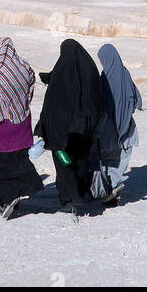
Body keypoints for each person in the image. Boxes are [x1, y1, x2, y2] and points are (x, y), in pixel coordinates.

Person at [35, 38, 101, 214]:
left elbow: (53, 101)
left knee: (64, 166)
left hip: (61, 134)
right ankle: (83, 193)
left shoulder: (60, 73)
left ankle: (69, 198)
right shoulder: (88, 70)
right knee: (81, 162)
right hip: (82, 132)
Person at [0, 37, 40, 220]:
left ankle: (1, 201)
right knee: (17, 164)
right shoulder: (25, 69)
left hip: (2, 130)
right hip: (22, 126)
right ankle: (14, 199)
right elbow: (29, 94)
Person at [91, 45, 142, 205]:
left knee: (107, 159)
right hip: (127, 126)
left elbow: (100, 102)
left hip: (109, 127)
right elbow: (137, 98)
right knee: (121, 158)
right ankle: (114, 190)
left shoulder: (105, 77)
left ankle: (111, 188)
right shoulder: (125, 73)